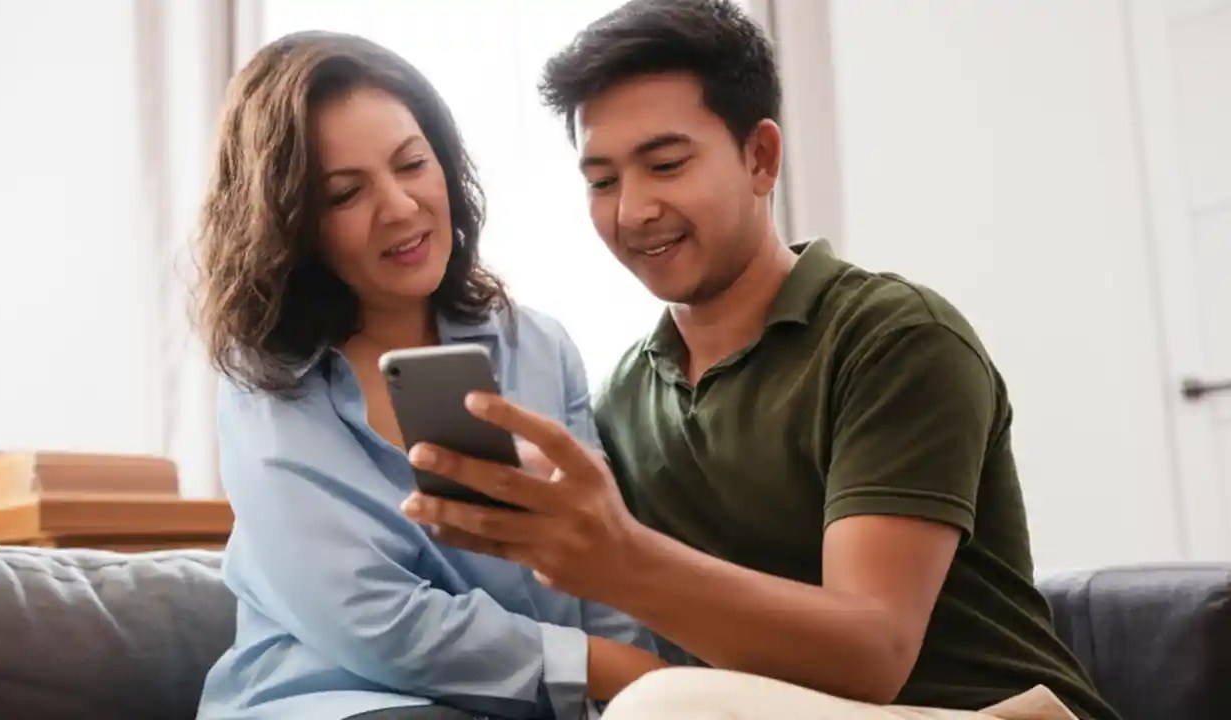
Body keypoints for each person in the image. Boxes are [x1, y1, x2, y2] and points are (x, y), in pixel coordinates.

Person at [400, 2, 1120, 719]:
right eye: (603, 180)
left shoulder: (894, 338)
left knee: (658, 709)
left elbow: (872, 654)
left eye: (666, 164)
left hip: (989, 713)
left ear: (761, 158)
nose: (633, 210)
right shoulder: (621, 398)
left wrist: (620, 559)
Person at [192, 31, 667, 720]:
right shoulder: (267, 388)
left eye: (411, 164)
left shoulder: (536, 347)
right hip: (332, 703)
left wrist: (648, 692)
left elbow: (601, 563)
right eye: (346, 194)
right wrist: (608, 669)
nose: (400, 206)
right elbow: (372, 620)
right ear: (293, 224)